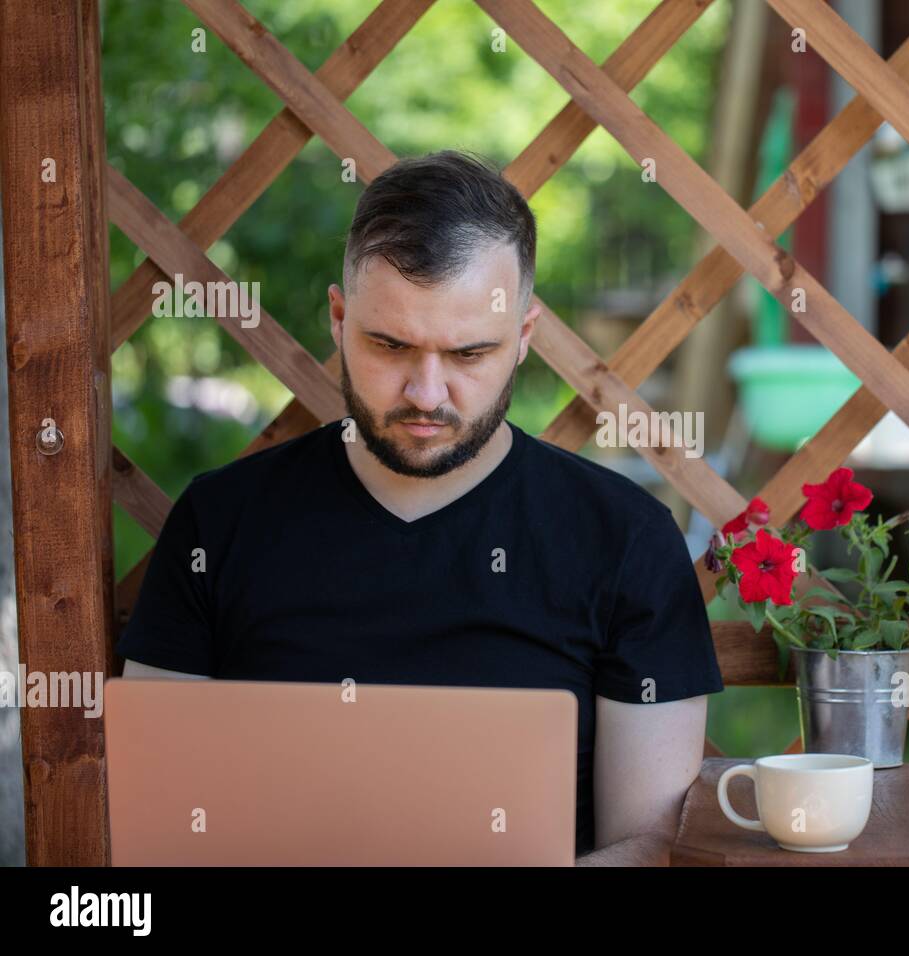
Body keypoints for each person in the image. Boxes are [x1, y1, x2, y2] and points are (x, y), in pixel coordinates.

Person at [117, 149, 725, 866]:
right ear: (339, 320)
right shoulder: (219, 524)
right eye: (390, 344)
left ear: (523, 338)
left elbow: (650, 847)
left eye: (468, 354)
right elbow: (156, 827)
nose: (427, 394)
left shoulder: (624, 541)